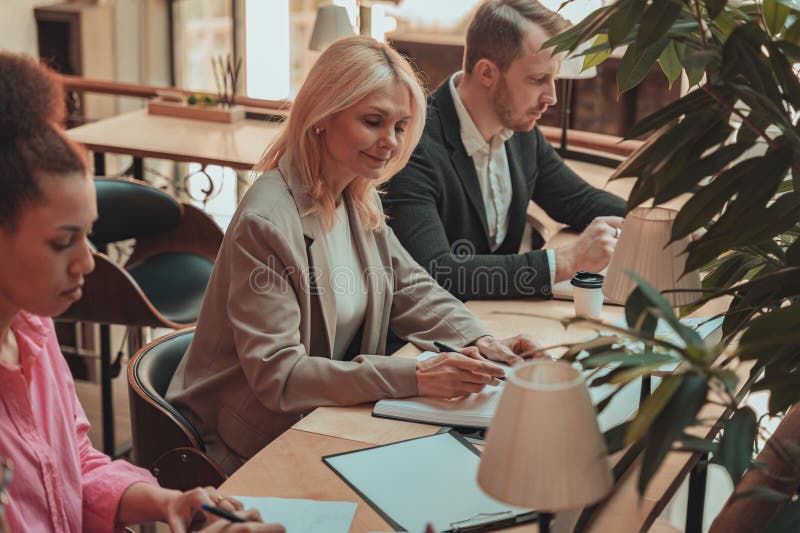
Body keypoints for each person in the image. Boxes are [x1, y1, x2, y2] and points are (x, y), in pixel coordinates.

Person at [167, 36, 541, 475]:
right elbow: (280, 376)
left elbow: (412, 288)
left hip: (319, 419)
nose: (391, 142)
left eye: (400, 127)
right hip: (244, 445)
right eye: (373, 121)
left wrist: (480, 342)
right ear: (323, 115)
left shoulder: (357, 196)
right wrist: (416, 378)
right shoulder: (266, 223)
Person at [0, 52, 282, 533]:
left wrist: (167, 502)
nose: (88, 262)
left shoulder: (34, 331)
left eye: (89, 235)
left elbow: (75, 468)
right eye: (62, 241)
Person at [382, 0, 627, 302]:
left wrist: (662, 225)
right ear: (486, 73)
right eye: (538, 80)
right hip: (425, 341)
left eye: (554, 78)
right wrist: (565, 261)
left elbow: (579, 201)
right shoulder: (413, 146)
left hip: (496, 325)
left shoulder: (521, 133)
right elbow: (437, 272)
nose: (552, 96)